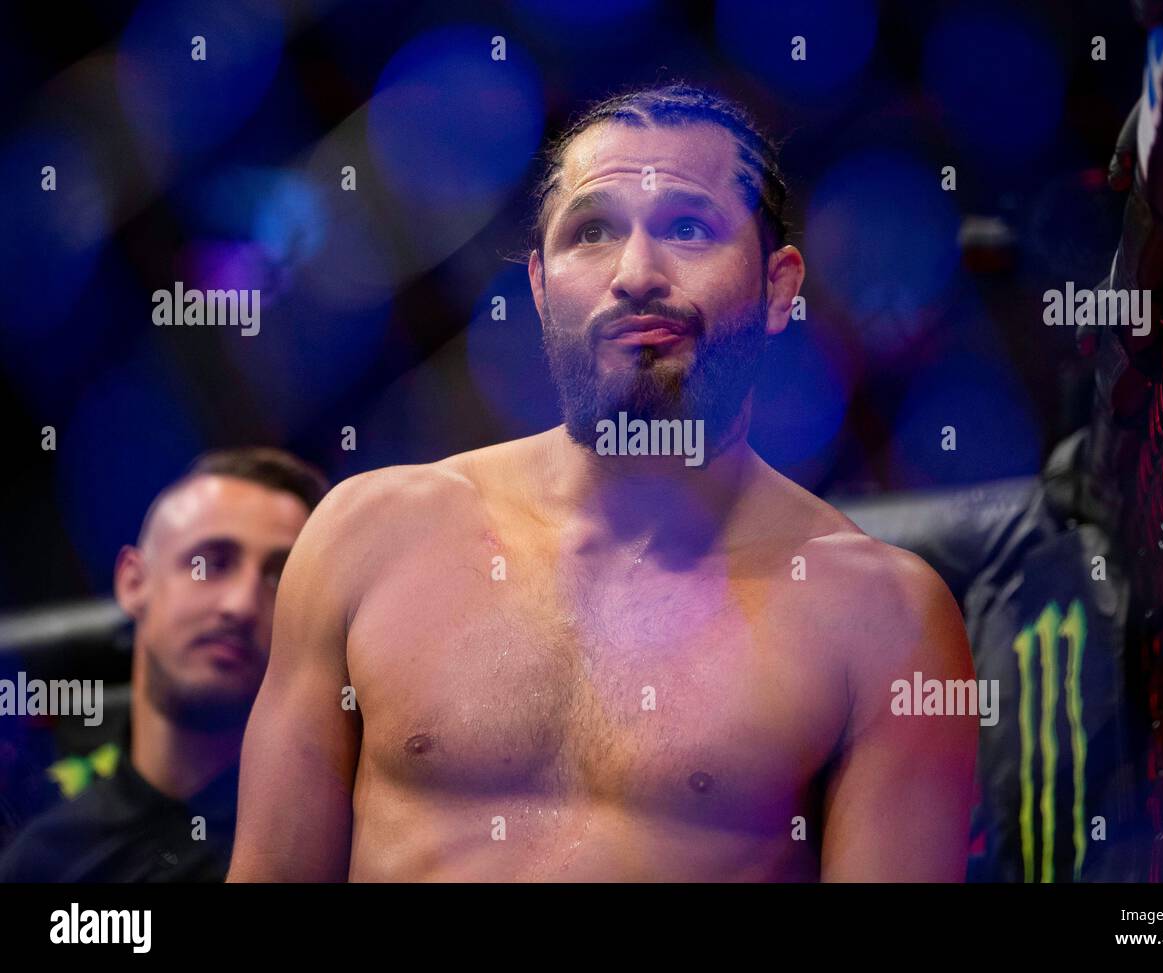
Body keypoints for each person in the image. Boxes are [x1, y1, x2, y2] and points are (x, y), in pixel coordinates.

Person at [228, 84, 977, 882]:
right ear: (542, 287)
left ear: (779, 288)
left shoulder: (881, 618)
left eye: (689, 227)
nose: (637, 273)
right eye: (592, 231)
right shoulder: (367, 534)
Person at [0, 448, 329, 881]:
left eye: (279, 577)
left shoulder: (338, 843)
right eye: (210, 563)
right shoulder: (43, 862)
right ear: (134, 582)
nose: (242, 605)